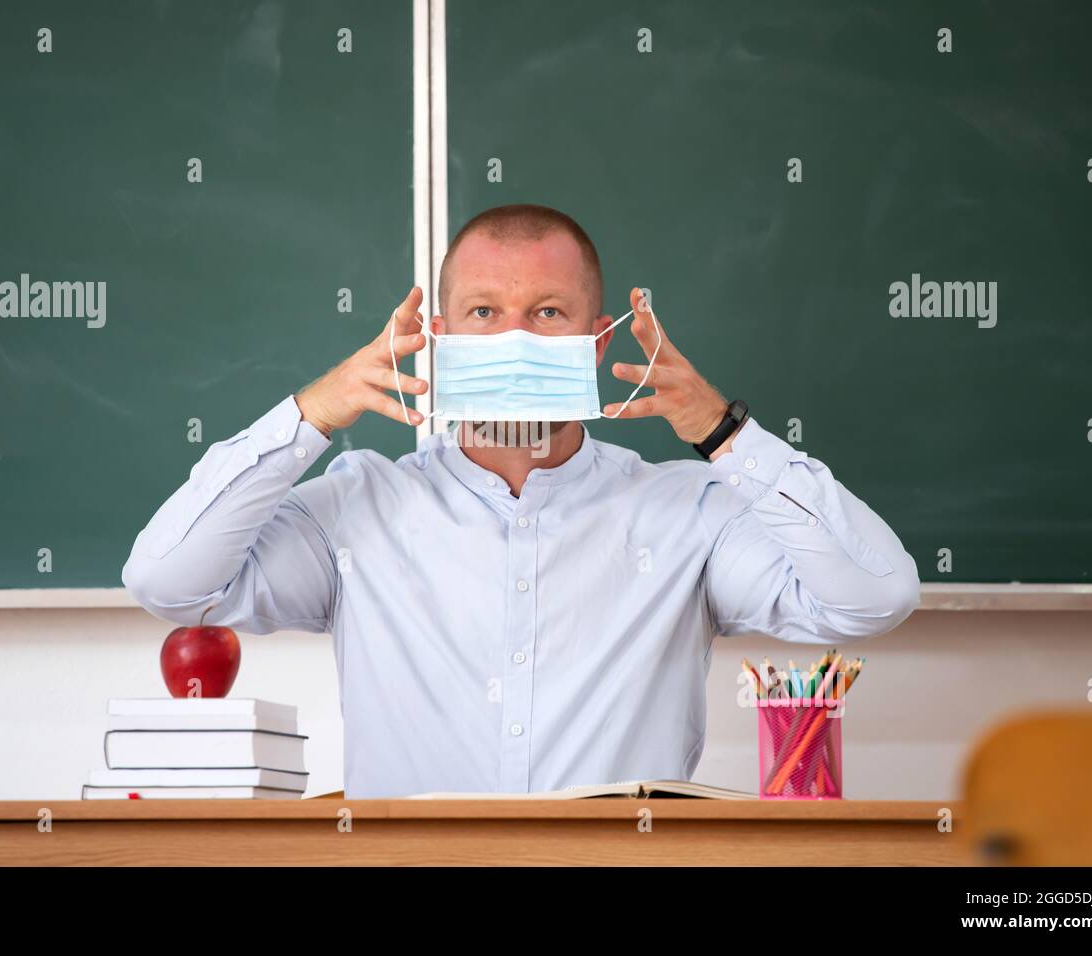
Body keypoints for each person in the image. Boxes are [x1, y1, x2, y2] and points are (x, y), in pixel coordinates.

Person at [122, 204, 920, 798]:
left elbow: (874, 598)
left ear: (596, 340)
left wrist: (724, 433)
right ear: (440, 337)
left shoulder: (687, 515)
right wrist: (310, 415)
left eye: (546, 313)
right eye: (483, 314)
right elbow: (168, 580)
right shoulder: (358, 505)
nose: (514, 339)